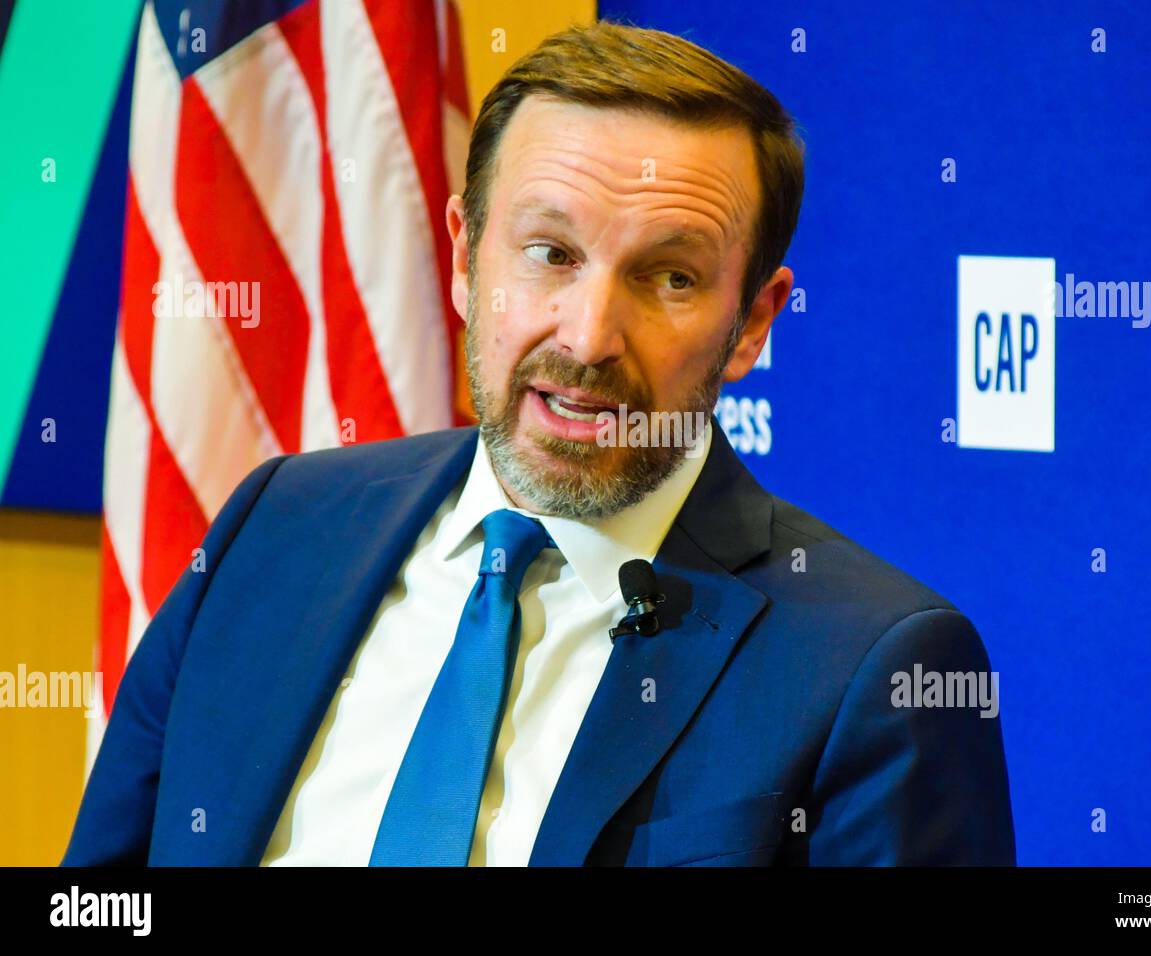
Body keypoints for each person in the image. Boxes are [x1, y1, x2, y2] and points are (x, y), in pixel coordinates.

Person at [63, 21, 1015, 867]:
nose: (588, 335)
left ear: (755, 323)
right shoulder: (274, 528)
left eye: (670, 278)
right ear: (466, 258)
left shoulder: (872, 669)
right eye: (552, 254)